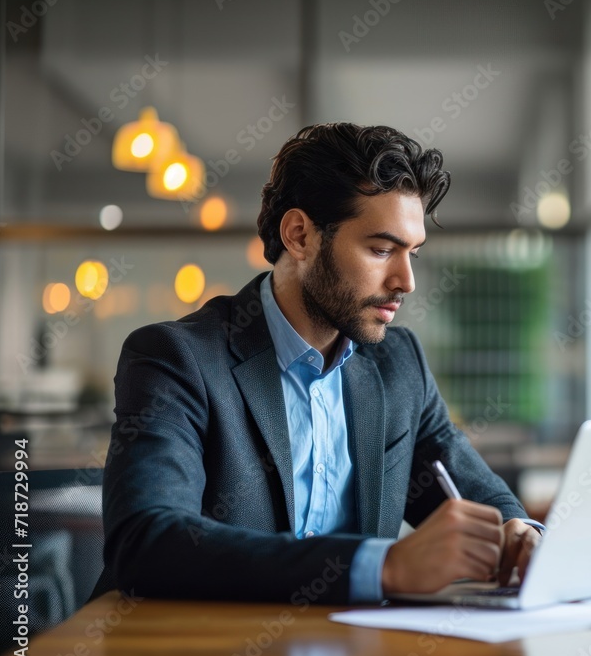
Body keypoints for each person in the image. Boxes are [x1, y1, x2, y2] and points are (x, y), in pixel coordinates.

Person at [96, 122, 542, 605]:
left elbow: (480, 496)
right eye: (381, 249)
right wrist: (384, 566)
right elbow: (148, 542)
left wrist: (520, 532)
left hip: (350, 642)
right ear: (300, 235)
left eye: (411, 253)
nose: (406, 281)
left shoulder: (399, 364)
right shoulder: (175, 357)